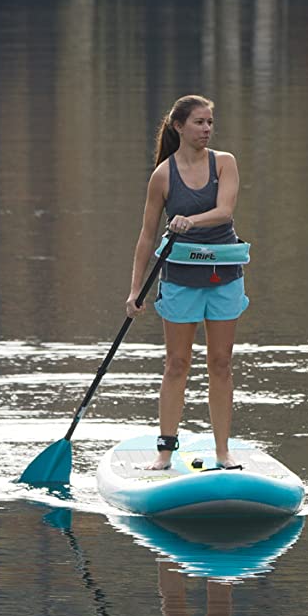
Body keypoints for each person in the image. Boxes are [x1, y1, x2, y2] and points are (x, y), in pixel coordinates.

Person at [128, 94, 246, 471]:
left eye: (210, 122)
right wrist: (134, 291)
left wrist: (189, 221)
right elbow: (147, 237)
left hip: (223, 277)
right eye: (199, 122)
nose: (207, 129)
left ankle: (223, 452)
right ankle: (165, 451)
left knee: (221, 363)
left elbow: (225, 211)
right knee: (177, 363)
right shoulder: (163, 175)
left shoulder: (224, 164)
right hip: (180, 279)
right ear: (179, 127)